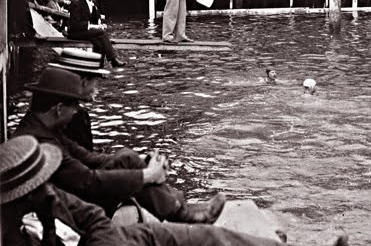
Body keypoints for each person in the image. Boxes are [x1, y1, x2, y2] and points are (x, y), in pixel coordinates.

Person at [13, 68, 227, 224]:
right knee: (131, 166)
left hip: (72, 195)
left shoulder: (46, 130)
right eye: (74, 105)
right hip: (71, 210)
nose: (77, 111)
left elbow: (87, 157)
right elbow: (89, 182)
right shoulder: (39, 143)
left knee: (127, 157)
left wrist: (141, 162)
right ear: (59, 109)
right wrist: (146, 176)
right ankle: (183, 214)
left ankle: (181, 208)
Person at [0, 136, 300, 246]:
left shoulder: (45, 193)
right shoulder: (9, 234)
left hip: (103, 238)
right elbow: (90, 187)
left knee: (199, 237)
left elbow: (90, 216)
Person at [52, 49, 110, 152]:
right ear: (84, 82)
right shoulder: (75, 114)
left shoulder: (50, 104)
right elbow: (83, 157)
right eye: (95, 82)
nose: (95, 88)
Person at [67, 0, 126, 68]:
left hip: (85, 31)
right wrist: (94, 26)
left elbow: (96, 18)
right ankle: (113, 59)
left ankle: (98, 68)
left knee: (100, 44)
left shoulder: (92, 4)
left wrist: (100, 24)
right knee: (101, 33)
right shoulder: (77, 4)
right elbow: (75, 24)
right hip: (76, 32)